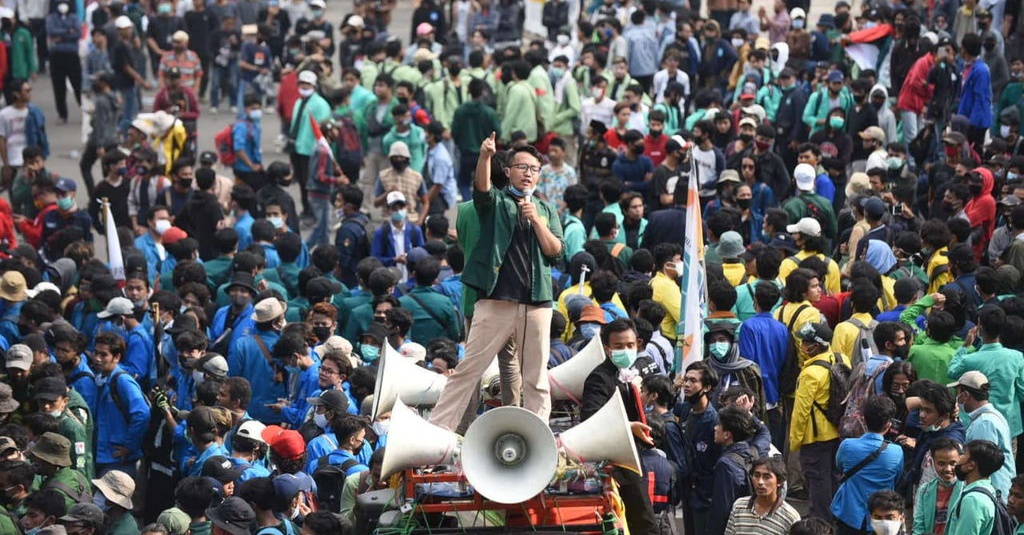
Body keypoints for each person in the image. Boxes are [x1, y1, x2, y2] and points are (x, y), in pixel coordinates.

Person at [428, 135, 564, 430]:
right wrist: (485, 156)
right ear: (508, 171)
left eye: (534, 169)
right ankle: (437, 430)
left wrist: (537, 222)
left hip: (537, 303)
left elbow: (556, 251)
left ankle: (536, 434)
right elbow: (481, 190)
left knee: (536, 378)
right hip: (496, 300)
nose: (528, 173)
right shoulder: (496, 202)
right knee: (468, 369)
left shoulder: (545, 209)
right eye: (521, 167)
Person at [579, 318, 656, 535]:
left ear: (638, 344)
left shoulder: (625, 372)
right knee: (643, 522)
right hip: (618, 463)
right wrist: (628, 426)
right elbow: (590, 418)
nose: (626, 350)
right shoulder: (599, 378)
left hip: (631, 457)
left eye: (630, 345)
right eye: (619, 346)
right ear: (607, 348)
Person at [790, 321, 845, 520]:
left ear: (816, 346)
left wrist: (795, 442)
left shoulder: (810, 373)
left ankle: (820, 522)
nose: (802, 345)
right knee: (834, 478)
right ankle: (835, 518)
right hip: (838, 431)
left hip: (816, 437)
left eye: (806, 342)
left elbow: (801, 412)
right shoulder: (840, 359)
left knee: (817, 481)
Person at [947, 306, 1024, 440]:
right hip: (1007, 426)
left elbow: (952, 371)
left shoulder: (969, 360)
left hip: (974, 425)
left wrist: (965, 346)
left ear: (980, 328)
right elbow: (1022, 391)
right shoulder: (1016, 357)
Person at [831, 396, 904, 535]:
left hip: (849, 514)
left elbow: (840, 467)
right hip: (882, 517)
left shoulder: (847, 445)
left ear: (864, 420)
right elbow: (897, 477)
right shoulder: (896, 452)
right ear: (888, 425)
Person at [949, 371, 1014, 500]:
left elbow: (983, 464)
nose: (957, 398)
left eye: (958, 393)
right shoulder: (991, 417)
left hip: (992, 492)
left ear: (965, 395)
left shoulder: (984, 423)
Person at [724, 457, 800, 535]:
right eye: (756, 476)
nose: (760, 482)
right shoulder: (739, 506)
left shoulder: (790, 518)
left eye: (767, 477)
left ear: (779, 481)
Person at [944, 440, 1006, 535]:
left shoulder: (973, 500)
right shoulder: (988, 489)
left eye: (964, 454)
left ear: (971, 465)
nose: (959, 459)